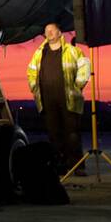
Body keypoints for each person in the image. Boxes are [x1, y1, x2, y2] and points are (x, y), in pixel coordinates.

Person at [26, 22, 92, 176]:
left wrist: (77, 85)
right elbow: (31, 71)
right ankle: (60, 166)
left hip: (68, 98)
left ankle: (77, 166)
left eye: (51, 30)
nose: (48, 33)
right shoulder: (39, 53)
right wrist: (34, 88)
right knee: (54, 133)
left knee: (72, 133)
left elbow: (85, 67)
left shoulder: (72, 51)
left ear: (59, 33)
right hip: (47, 99)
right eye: (46, 31)